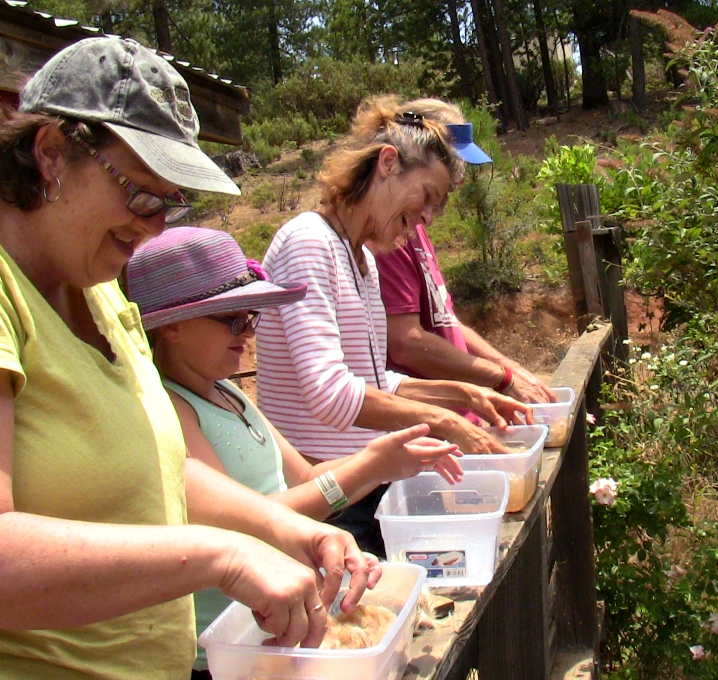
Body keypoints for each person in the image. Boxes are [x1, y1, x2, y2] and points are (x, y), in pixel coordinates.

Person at [0, 37, 374, 680]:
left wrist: (284, 529)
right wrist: (224, 559)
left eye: (170, 201)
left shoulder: (95, 279)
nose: (154, 227)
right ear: (50, 154)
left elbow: (164, 466)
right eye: (141, 194)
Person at [126, 225, 464, 675]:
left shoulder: (229, 393)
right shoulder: (170, 409)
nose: (247, 332)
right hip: (228, 652)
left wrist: (384, 462)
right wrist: (371, 464)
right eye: (231, 319)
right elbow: (244, 522)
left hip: (279, 626)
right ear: (171, 327)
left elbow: (304, 481)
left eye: (250, 316)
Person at [256, 96, 533, 554]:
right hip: (325, 499)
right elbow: (329, 394)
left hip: (362, 486)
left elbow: (374, 380)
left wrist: (463, 394)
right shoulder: (308, 243)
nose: (427, 217)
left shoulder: (361, 256)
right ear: (388, 163)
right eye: (426, 196)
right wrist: (441, 417)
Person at [375, 102, 557, 405]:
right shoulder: (392, 238)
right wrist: (501, 378)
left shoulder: (415, 230)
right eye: (452, 158)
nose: (459, 175)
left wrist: (509, 369)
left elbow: (446, 321)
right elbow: (405, 342)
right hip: (427, 426)